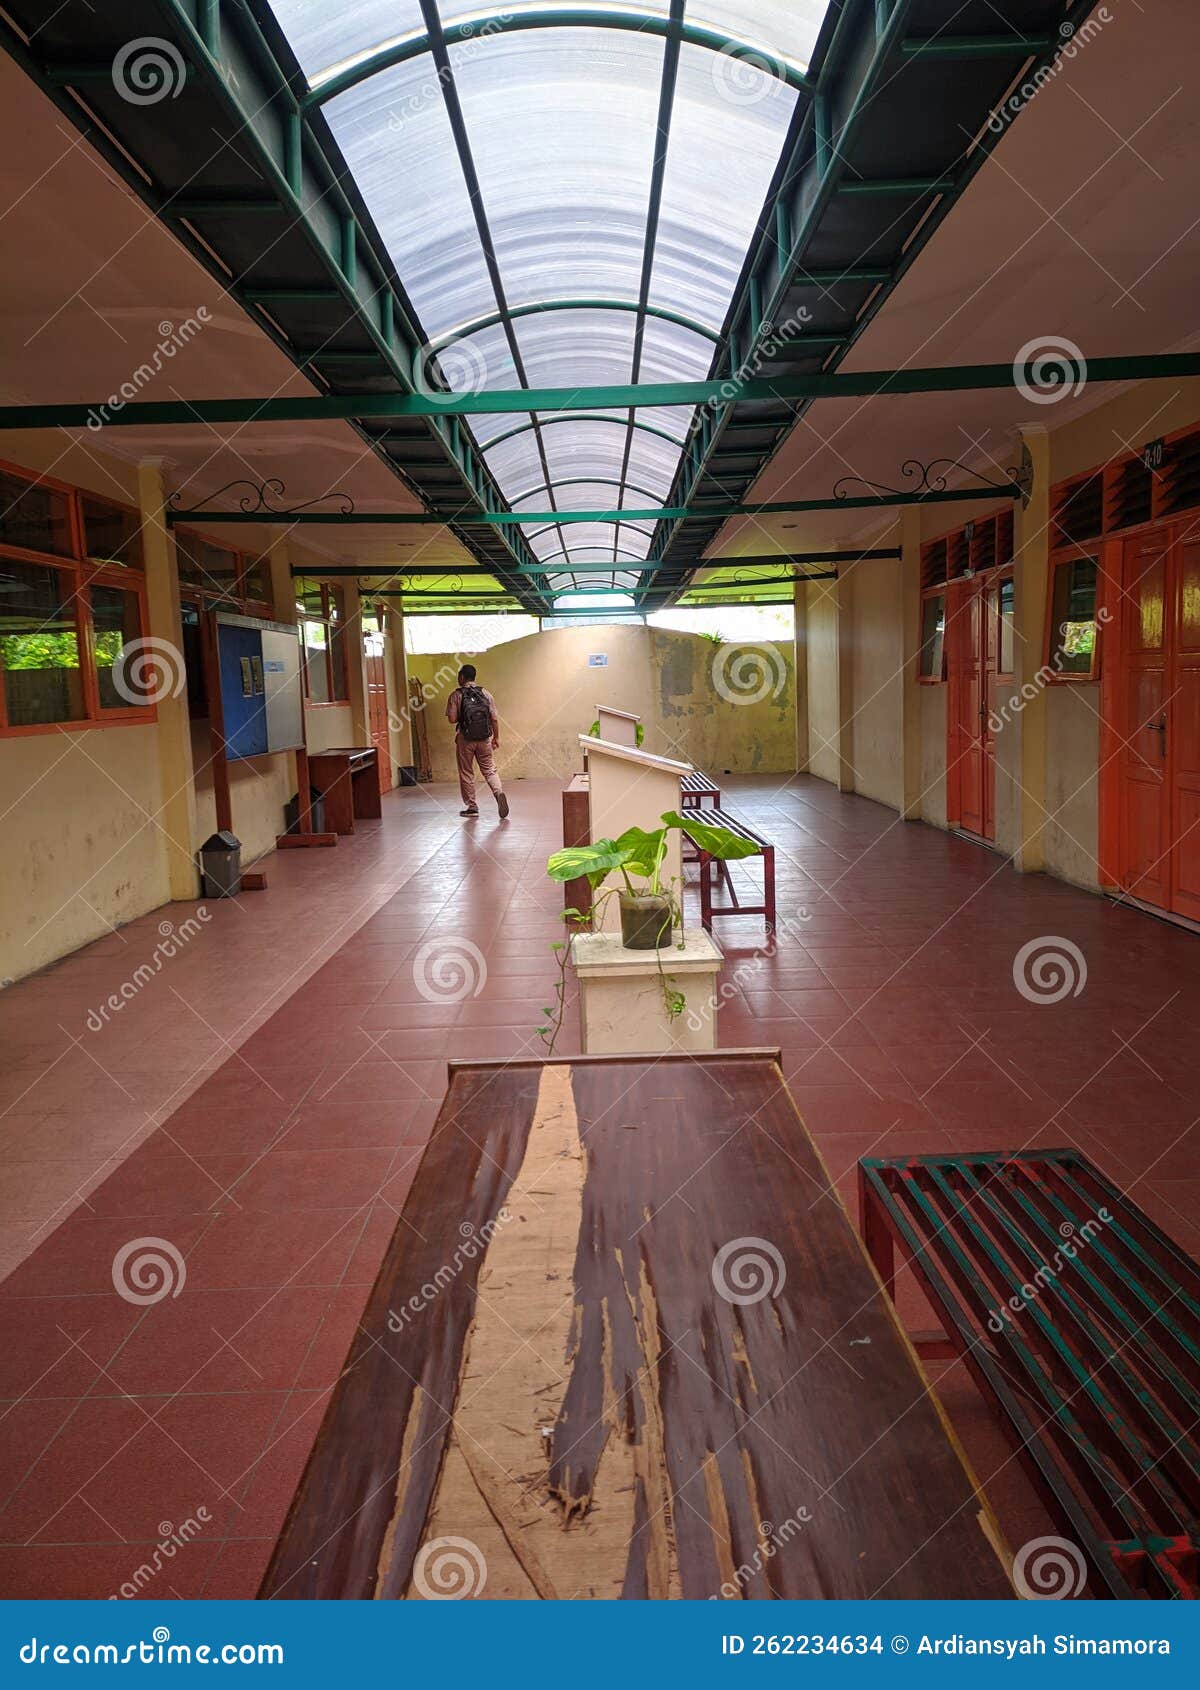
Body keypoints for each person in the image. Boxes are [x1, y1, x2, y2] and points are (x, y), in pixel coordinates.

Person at [446, 664, 509, 819]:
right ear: (474, 676)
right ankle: (498, 792)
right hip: (484, 738)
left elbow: (452, 719)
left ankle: (472, 807)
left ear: (461, 677)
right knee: (489, 770)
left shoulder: (456, 695)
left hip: (465, 739)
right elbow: (494, 718)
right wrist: (496, 737)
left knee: (466, 771)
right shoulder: (486, 694)